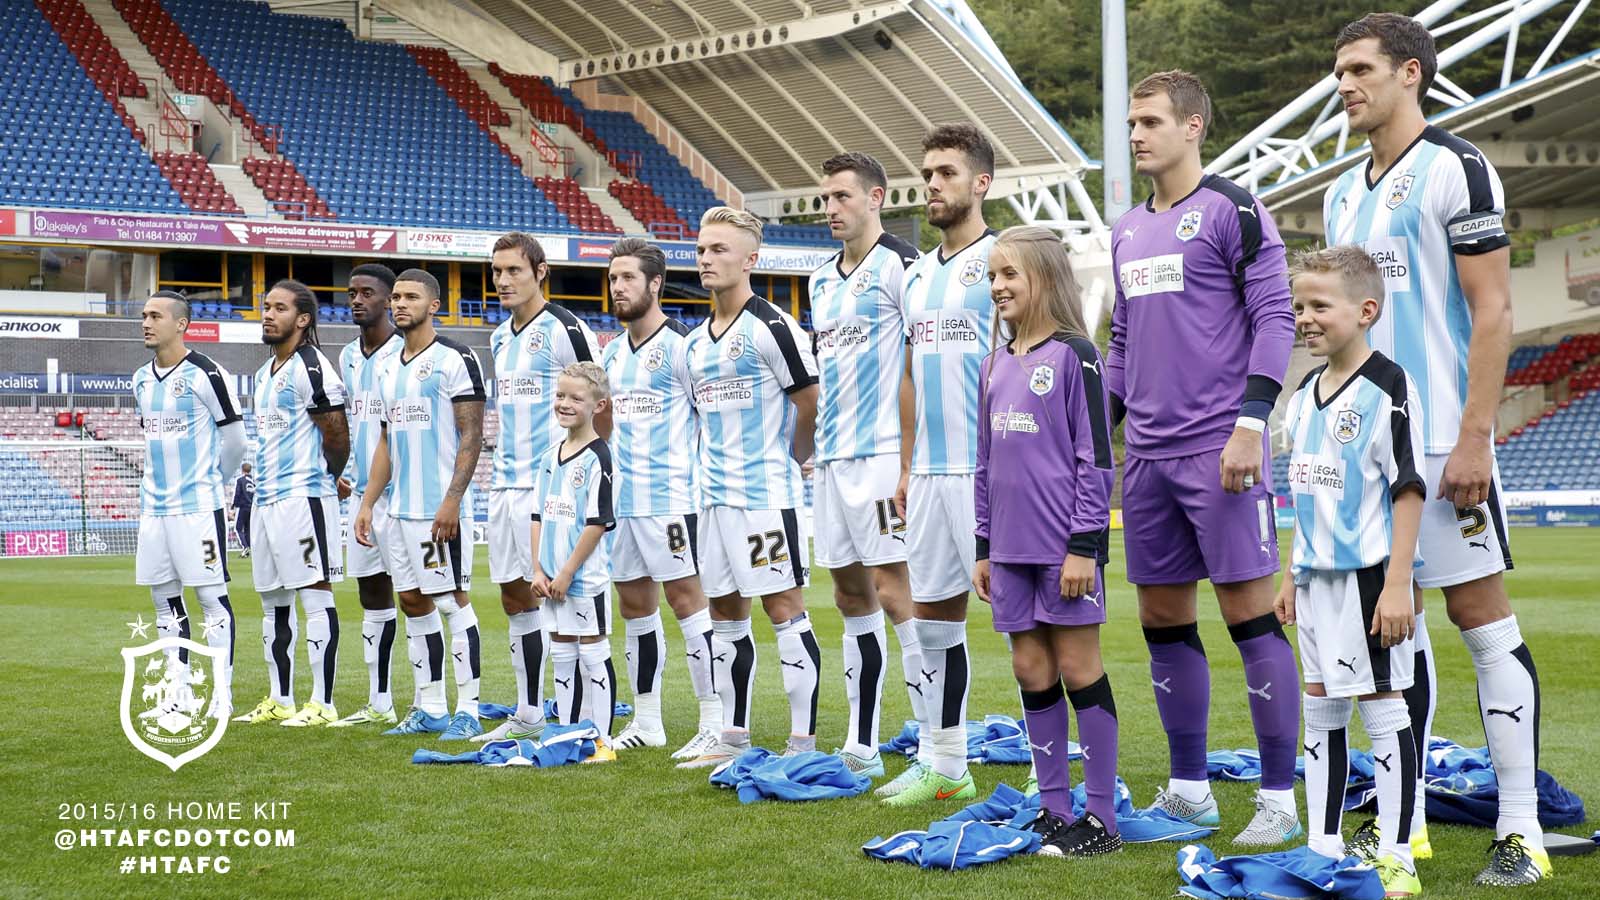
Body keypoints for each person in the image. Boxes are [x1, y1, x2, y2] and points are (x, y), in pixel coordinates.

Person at [1325, 13, 1545, 885]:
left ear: (1410, 73)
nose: (1345, 84)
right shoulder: (1345, 191)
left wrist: (1473, 438)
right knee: (1391, 634)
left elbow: (1493, 309)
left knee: (1482, 621)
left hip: (1446, 443)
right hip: (1366, 460)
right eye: (1338, 71)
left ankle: (1520, 830)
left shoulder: (1456, 166)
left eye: (1359, 69)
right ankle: (1402, 822)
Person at [1108, 70, 1301, 842]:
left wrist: (1252, 424)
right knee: (1161, 616)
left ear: (1192, 127)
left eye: (1150, 121)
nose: (1135, 134)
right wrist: (1097, 436)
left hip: (1220, 449)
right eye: (1130, 122)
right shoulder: (1124, 228)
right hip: (1146, 457)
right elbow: (1120, 342)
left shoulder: (1234, 209)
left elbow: (1276, 316)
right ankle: (1189, 790)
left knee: (1248, 617)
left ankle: (1281, 799)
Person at [1277, 246, 1426, 898]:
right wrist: (1291, 573)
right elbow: (1305, 497)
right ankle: (1323, 844)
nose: (1305, 318)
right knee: (1321, 708)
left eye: (1319, 306)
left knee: (1383, 707)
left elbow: (1409, 488)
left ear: (1365, 311)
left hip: (1369, 577)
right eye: (1299, 306)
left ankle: (1398, 857)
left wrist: (1399, 583)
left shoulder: (1388, 386)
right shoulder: (1303, 396)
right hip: (1315, 579)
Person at [971, 226, 1122, 857]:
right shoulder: (994, 362)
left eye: (1011, 274)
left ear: (1046, 278)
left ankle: (1103, 819)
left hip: (1066, 551)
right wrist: (982, 544)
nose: (999, 287)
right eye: (993, 276)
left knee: (1080, 669)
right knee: (1031, 670)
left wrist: (1083, 546)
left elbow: (1096, 460)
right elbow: (985, 462)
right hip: (1008, 550)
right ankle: (1054, 808)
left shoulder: (1075, 355)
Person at [675, 207, 820, 770]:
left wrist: (794, 458)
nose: (707, 259)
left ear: (751, 260)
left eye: (720, 250)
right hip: (713, 500)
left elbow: (809, 401)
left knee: (784, 609)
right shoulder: (694, 345)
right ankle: (731, 739)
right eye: (703, 250)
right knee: (726, 616)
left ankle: (801, 743)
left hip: (764, 498)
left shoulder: (773, 328)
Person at [884, 124, 998, 805]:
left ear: (981, 182)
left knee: (1023, 625)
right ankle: (946, 764)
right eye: (927, 173)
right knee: (931, 620)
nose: (932, 184)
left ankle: (1055, 781)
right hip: (928, 474)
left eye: (947, 173)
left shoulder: (1004, 262)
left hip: (988, 473)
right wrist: (905, 466)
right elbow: (906, 376)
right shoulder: (917, 274)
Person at [807, 152, 924, 779]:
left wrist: (909, 464)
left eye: (843, 197)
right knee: (849, 592)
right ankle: (862, 740)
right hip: (832, 459)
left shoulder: (903, 267)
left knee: (895, 589)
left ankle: (934, 742)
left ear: (876, 198)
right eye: (826, 198)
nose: (831, 208)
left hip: (883, 454)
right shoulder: (821, 280)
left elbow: (914, 368)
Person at [598, 238, 721, 757]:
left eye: (627, 278)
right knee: (634, 607)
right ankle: (647, 720)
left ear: (654, 284)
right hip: (623, 502)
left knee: (688, 604)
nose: (617, 287)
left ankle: (715, 721)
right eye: (612, 279)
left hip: (673, 499)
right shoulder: (609, 351)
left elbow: (709, 420)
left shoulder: (683, 347)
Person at [353, 269, 486, 740]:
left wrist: (452, 501)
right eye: (398, 298)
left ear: (434, 305)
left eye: (412, 297)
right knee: (411, 601)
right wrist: (369, 502)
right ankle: (430, 706)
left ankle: (467, 706)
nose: (400, 304)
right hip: (398, 511)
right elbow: (386, 439)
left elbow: (472, 435)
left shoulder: (454, 358)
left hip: (437, 512)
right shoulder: (389, 367)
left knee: (451, 602)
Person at [484, 232, 600, 742]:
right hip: (504, 483)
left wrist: (586, 472)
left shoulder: (565, 329)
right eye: (497, 272)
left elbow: (600, 402)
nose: (503, 280)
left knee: (563, 600)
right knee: (514, 596)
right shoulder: (497, 336)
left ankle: (577, 719)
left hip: (552, 485)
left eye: (514, 270)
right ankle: (529, 714)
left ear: (540, 271)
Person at [234, 280, 349, 726]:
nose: (267, 314)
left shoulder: (312, 367)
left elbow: (337, 434)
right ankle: (280, 698)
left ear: (302, 319)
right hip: (266, 500)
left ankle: (323, 703)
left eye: (278, 308)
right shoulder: (265, 373)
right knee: (271, 601)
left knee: (315, 594)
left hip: (303, 499)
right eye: (265, 306)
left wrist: (328, 477)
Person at [132, 289, 245, 719]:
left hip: (198, 507)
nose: (146, 322)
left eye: (155, 315)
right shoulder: (140, 378)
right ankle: (178, 693)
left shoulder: (206, 373)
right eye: (143, 315)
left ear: (181, 324)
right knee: (164, 601)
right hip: (153, 510)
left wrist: (213, 481)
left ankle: (221, 694)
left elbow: (235, 439)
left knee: (211, 598)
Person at [530, 361, 619, 763]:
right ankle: (567, 732)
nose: (565, 403)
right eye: (560, 395)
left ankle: (601, 739)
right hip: (549, 580)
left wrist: (567, 572)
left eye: (576, 398)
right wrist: (538, 569)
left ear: (598, 406)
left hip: (584, 580)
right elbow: (538, 515)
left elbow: (597, 522)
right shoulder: (551, 455)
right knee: (562, 649)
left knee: (593, 650)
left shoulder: (599, 457)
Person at [331, 263, 405, 728]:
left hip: (408, 497)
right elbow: (359, 426)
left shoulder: (408, 351)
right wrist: (350, 475)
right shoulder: (348, 356)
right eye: (352, 292)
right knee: (371, 593)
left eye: (367, 293)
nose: (357, 300)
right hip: (364, 497)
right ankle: (380, 702)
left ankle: (434, 701)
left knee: (426, 597)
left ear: (390, 299)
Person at [231, 463, 254, 557]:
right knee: (248, 529)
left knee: (238, 528)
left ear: (242, 470)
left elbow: (237, 493)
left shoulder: (240, 480)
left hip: (243, 506)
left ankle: (245, 547)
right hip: (251, 507)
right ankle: (248, 549)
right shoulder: (253, 481)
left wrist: (234, 505)